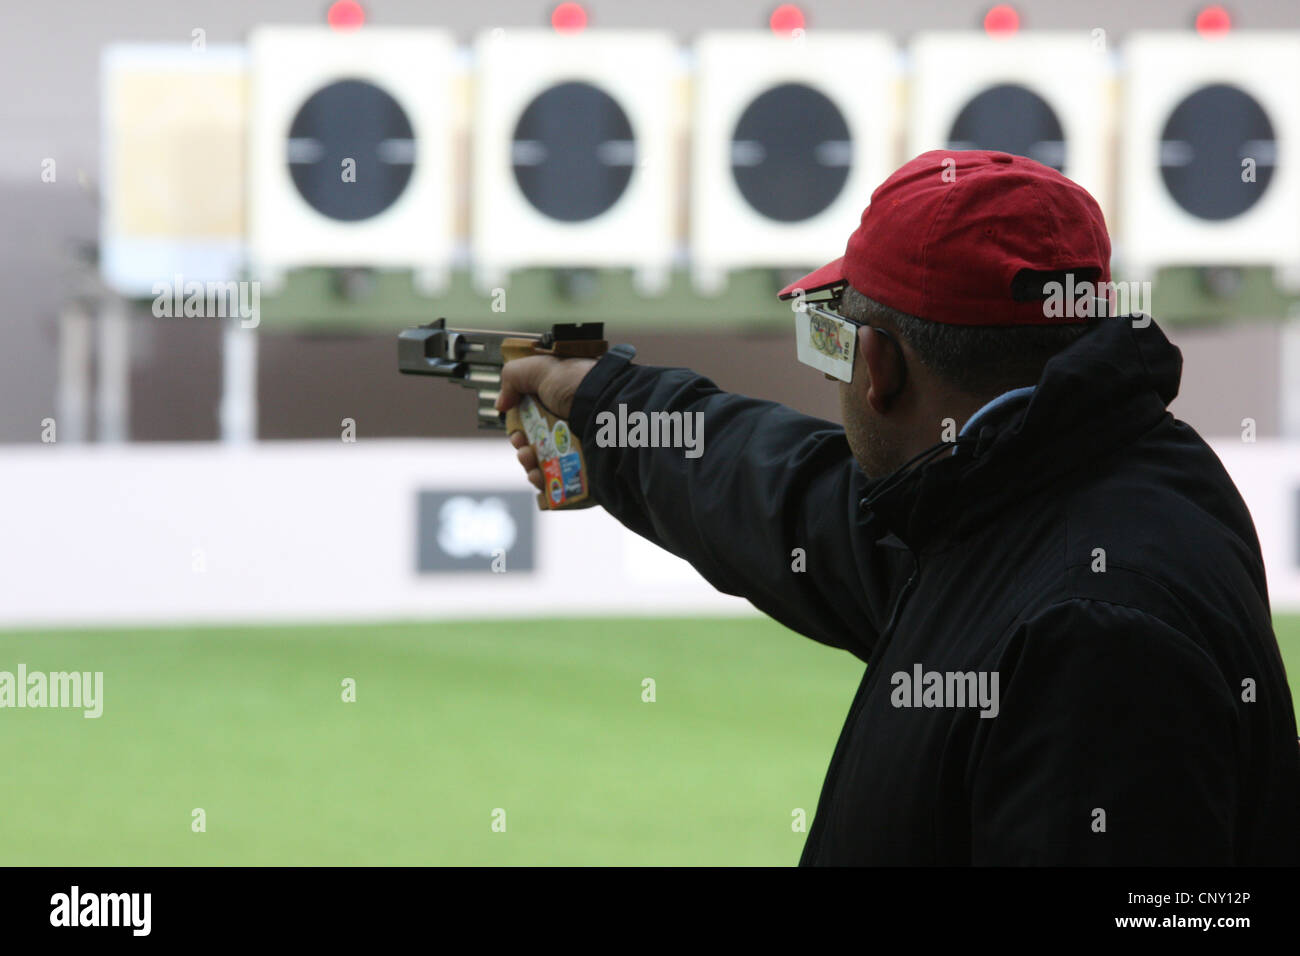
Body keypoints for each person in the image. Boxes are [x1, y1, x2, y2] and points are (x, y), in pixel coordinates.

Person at [496, 149, 1300, 865]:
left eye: (832, 340)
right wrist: (609, 407)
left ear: (877, 364)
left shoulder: (1090, 628)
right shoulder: (1049, 489)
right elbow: (782, 495)